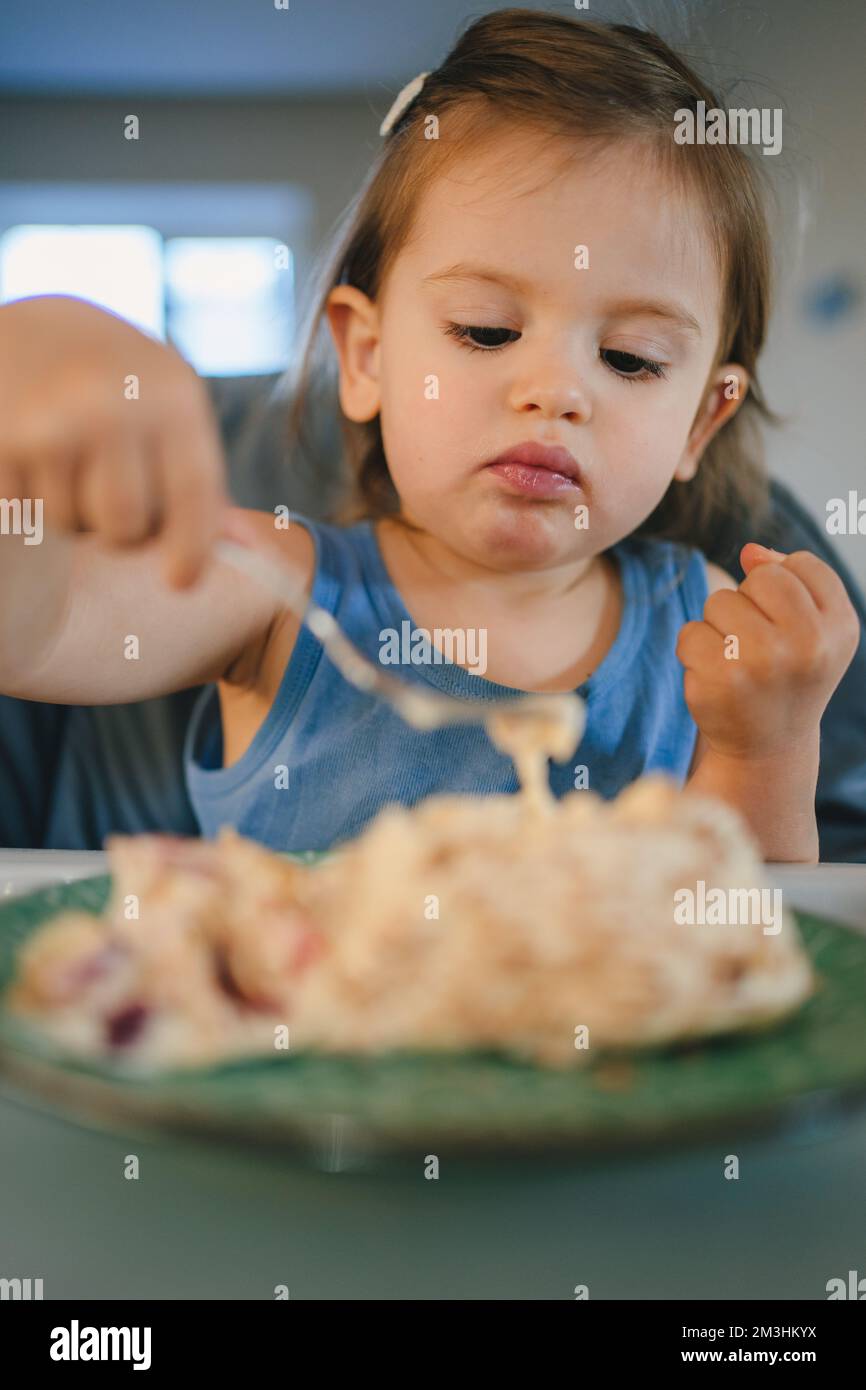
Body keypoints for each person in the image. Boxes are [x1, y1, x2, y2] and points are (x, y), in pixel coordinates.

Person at [0, 12, 862, 862]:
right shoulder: (275, 594)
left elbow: (741, 931)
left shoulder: (712, 627)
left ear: (701, 422)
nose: (554, 392)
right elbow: (33, 633)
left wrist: (765, 750)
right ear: (367, 359)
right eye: (487, 331)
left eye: (631, 359)